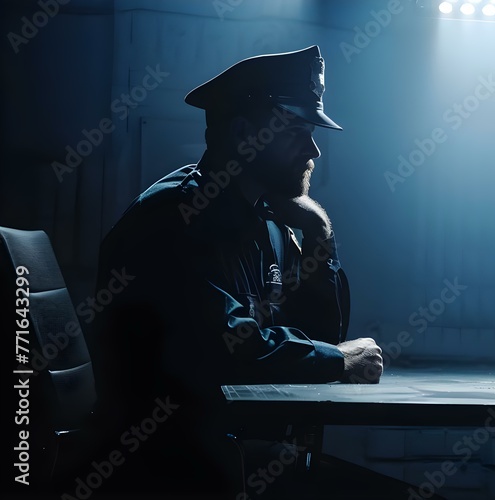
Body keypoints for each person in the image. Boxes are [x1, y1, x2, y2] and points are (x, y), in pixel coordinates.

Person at [87, 46, 383, 497]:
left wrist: (319, 231)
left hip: (228, 455)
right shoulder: (178, 218)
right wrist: (339, 361)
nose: (314, 149)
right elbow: (234, 354)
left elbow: (316, 330)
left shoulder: (260, 217)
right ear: (244, 133)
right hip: (172, 472)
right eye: (297, 131)